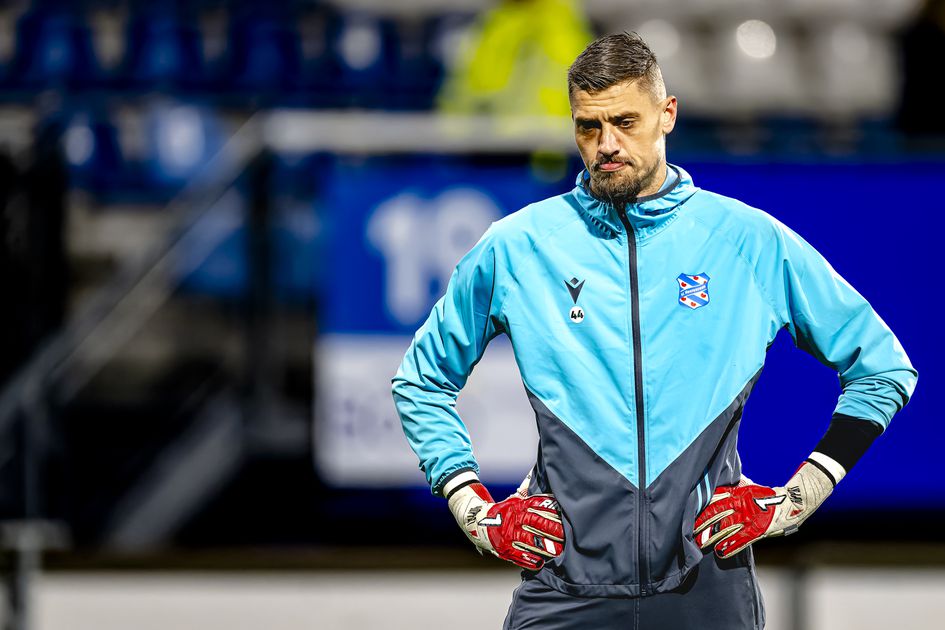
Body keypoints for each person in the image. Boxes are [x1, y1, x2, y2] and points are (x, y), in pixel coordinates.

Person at [392, 32, 917, 629]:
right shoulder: (517, 246)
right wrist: (474, 510)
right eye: (588, 127)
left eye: (624, 121)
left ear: (667, 114)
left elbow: (883, 366)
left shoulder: (746, 240)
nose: (606, 145)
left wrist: (796, 501)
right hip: (565, 589)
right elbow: (420, 381)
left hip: (708, 590)